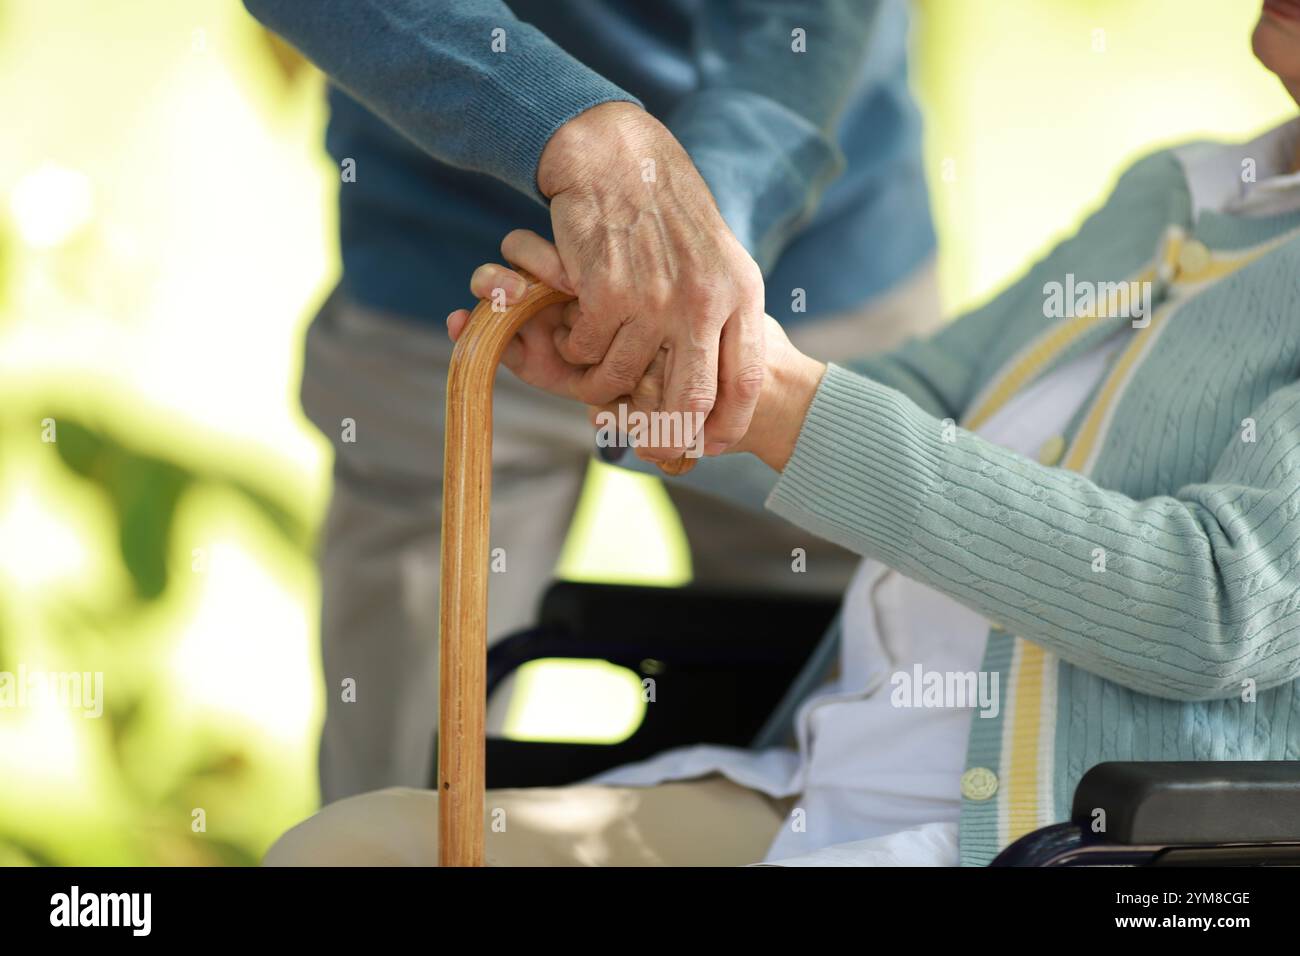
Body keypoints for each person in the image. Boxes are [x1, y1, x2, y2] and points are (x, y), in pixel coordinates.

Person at [264, 1, 1300, 866]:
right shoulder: (1181, 190)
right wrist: (649, 366)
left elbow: (1210, 604)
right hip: (812, 788)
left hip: (1020, 832)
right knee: (347, 848)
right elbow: (931, 397)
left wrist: (734, 343)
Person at [241, 0, 939, 804]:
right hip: (447, 280)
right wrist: (569, 133)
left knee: (851, 747)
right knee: (403, 784)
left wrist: (696, 239)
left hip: (813, 277)